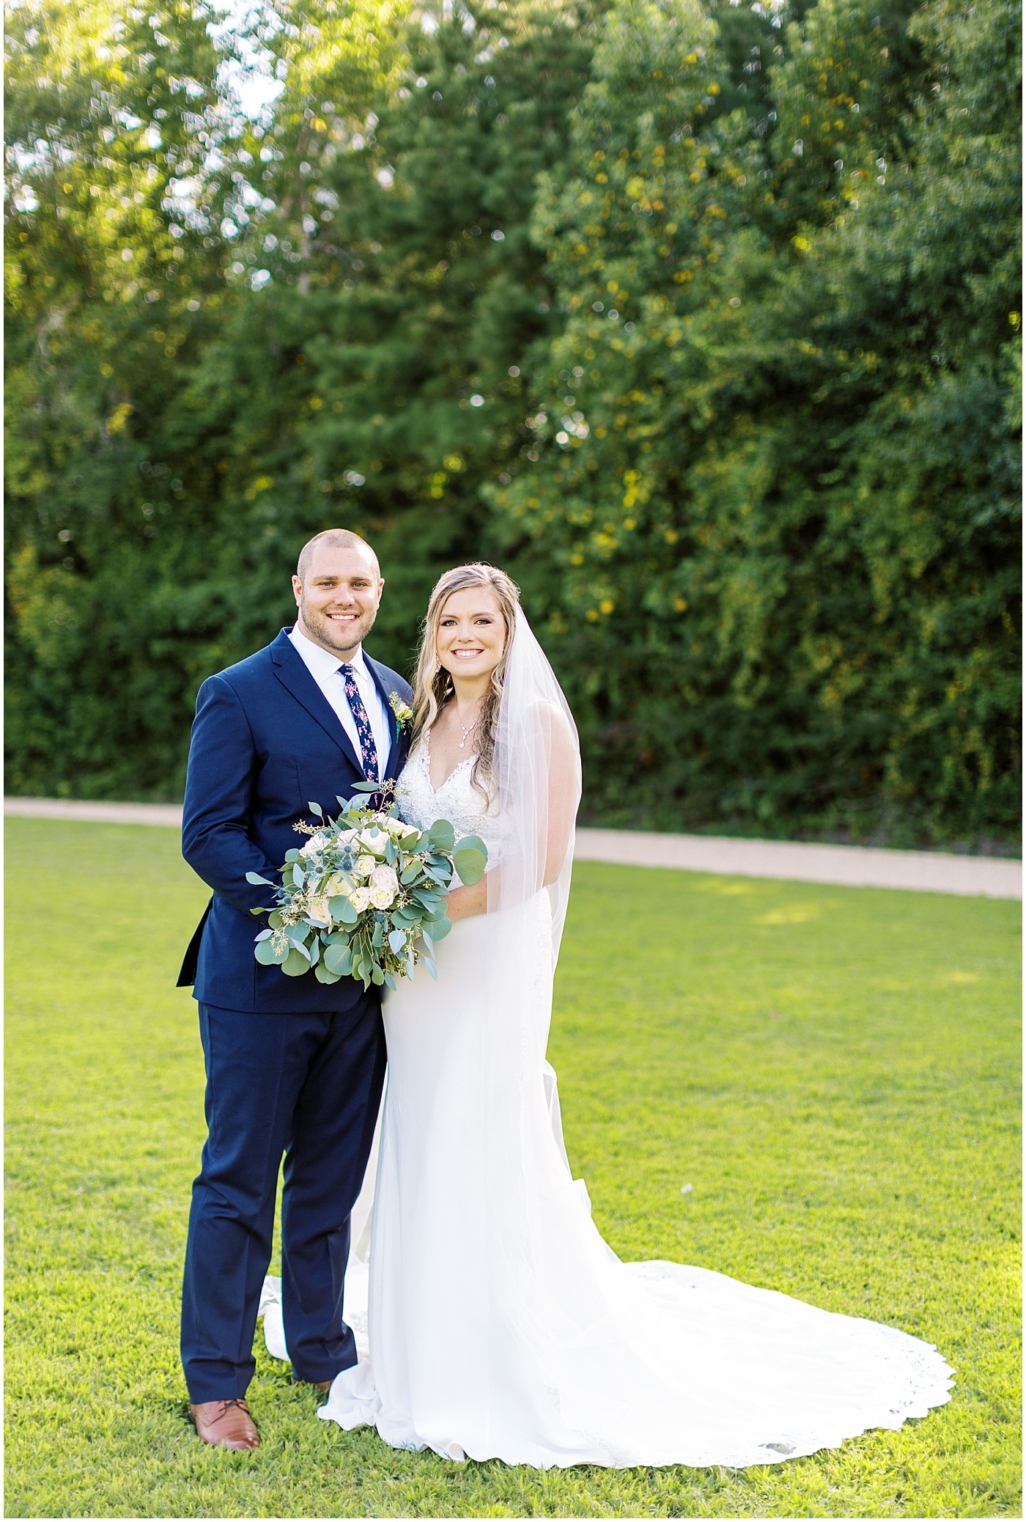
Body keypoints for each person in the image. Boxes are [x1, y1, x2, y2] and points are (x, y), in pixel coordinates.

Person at [265, 560, 954, 1468]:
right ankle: (422, 1338)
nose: (465, 635)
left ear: (509, 634)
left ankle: (495, 1356)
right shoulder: (422, 718)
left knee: (481, 1129)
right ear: (430, 632)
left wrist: (416, 909)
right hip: (417, 978)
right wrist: (381, 895)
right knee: (422, 1134)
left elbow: (538, 865)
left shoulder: (537, 723)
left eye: (483, 621)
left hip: (483, 963)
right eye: (451, 621)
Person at [177, 528, 413, 1451]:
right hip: (258, 982)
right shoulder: (236, 692)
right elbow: (209, 833)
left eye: (359, 582)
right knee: (237, 1182)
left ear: (378, 590)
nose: (343, 596)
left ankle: (322, 1349)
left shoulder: (399, 695)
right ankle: (217, 1384)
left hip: (361, 991)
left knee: (328, 1183)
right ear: (299, 588)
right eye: (328, 582)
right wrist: (307, 909)